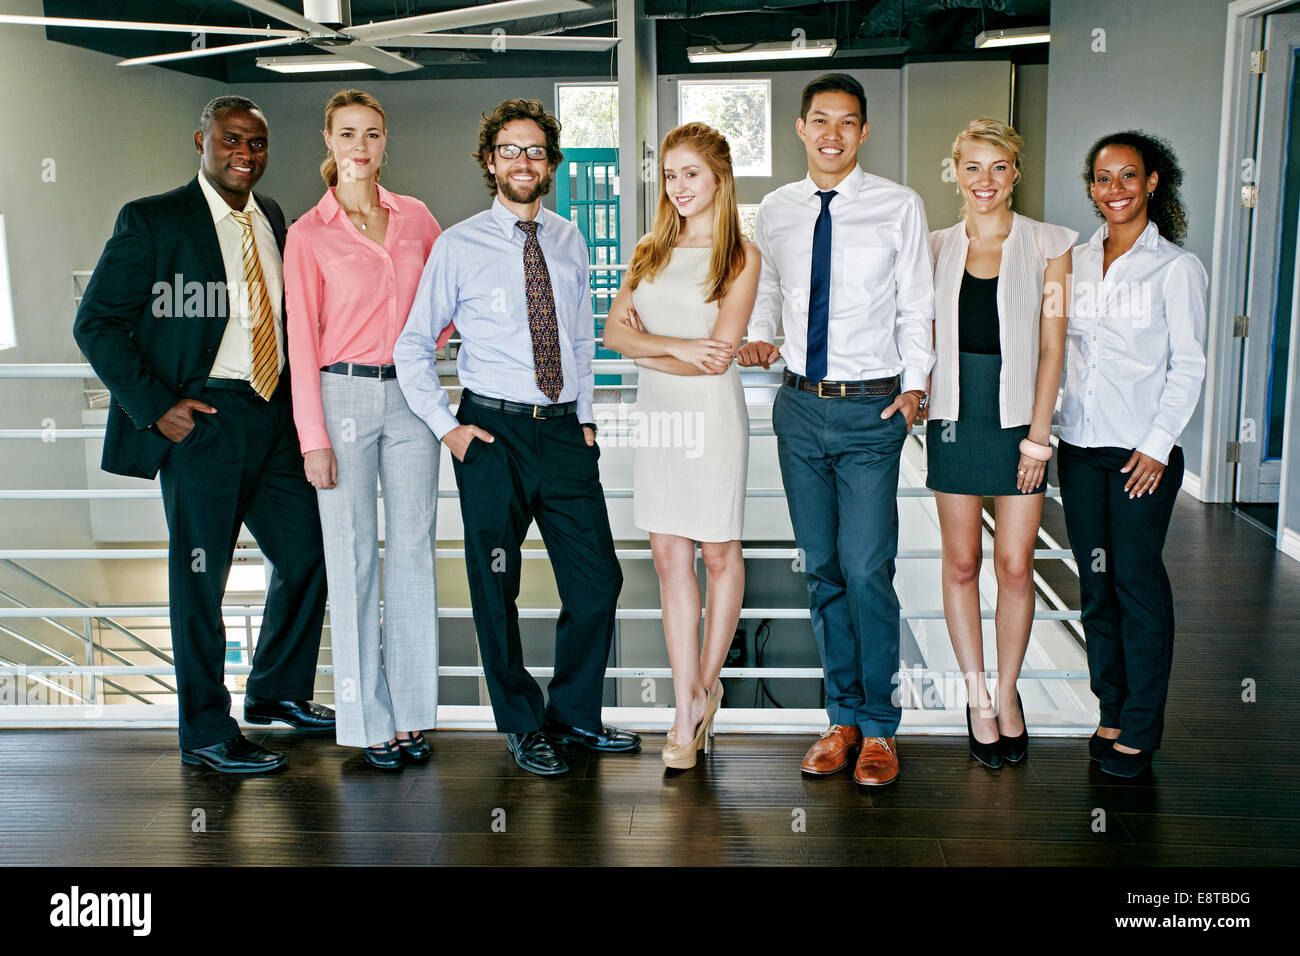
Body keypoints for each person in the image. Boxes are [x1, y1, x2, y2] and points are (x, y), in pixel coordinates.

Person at [73, 95, 333, 774]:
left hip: (273, 419)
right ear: (201, 141)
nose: (244, 155)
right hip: (203, 422)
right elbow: (96, 322)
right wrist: (158, 406)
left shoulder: (272, 217)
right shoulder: (154, 220)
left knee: (308, 556)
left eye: (257, 144)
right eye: (231, 141)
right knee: (201, 582)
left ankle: (276, 692)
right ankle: (207, 734)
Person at [394, 98, 640, 777]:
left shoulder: (568, 238)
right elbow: (413, 345)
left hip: (563, 435)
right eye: (510, 149)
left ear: (552, 163)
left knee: (598, 582)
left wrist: (586, 416)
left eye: (535, 150)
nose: (523, 161)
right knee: (494, 588)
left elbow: (581, 339)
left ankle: (574, 716)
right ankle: (523, 725)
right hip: (490, 434)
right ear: (489, 161)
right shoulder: (458, 245)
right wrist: (448, 430)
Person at [738, 73, 934, 788]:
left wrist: (916, 386)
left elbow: (917, 300)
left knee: (865, 569)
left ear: (863, 132)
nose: (832, 134)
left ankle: (880, 728)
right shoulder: (779, 211)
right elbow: (766, 289)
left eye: (846, 122)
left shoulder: (897, 206)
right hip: (798, 407)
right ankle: (842, 717)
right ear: (799, 127)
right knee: (820, 569)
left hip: (872, 410)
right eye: (820, 120)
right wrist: (760, 337)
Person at [284, 90, 442, 771]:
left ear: (385, 143)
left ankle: (409, 714)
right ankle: (366, 720)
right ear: (329, 139)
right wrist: (311, 436)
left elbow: (446, 300)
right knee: (350, 559)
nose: (360, 145)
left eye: (372, 134)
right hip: (339, 391)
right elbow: (300, 340)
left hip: (411, 394)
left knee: (411, 551)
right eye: (347, 133)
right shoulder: (308, 234)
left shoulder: (417, 220)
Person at [603, 123, 761, 770]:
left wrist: (657, 348)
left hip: (712, 421)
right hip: (660, 420)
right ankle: (686, 698)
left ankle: (699, 696)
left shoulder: (740, 257)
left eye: (690, 173)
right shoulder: (649, 248)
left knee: (719, 552)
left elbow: (717, 361)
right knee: (671, 560)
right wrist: (676, 347)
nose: (678, 187)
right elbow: (613, 335)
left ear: (720, 175)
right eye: (669, 175)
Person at [925, 119, 1074, 770]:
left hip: (1020, 422)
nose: (985, 181)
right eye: (973, 167)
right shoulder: (932, 246)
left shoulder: (1051, 244)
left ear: (1016, 173)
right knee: (961, 565)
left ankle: (1008, 694)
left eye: (998, 168)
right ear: (955, 172)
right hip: (955, 419)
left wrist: (1038, 440)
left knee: (1015, 567)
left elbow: (1053, 345)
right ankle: (977, 697)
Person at [1059, 131, 1206, 778]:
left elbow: (1190, 364)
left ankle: (1141, 728)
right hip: (1079, 449)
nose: (1113, 189)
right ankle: (1111, 708)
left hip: (1139, 455)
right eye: (1102, 178)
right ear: (1091, 188)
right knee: (1095, 586)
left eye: (1127, 176)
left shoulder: (1175, 268)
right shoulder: (1074, 261)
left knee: (1136, 584)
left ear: (1152, 183)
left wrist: (1156, 446)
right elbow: (1056, 348)